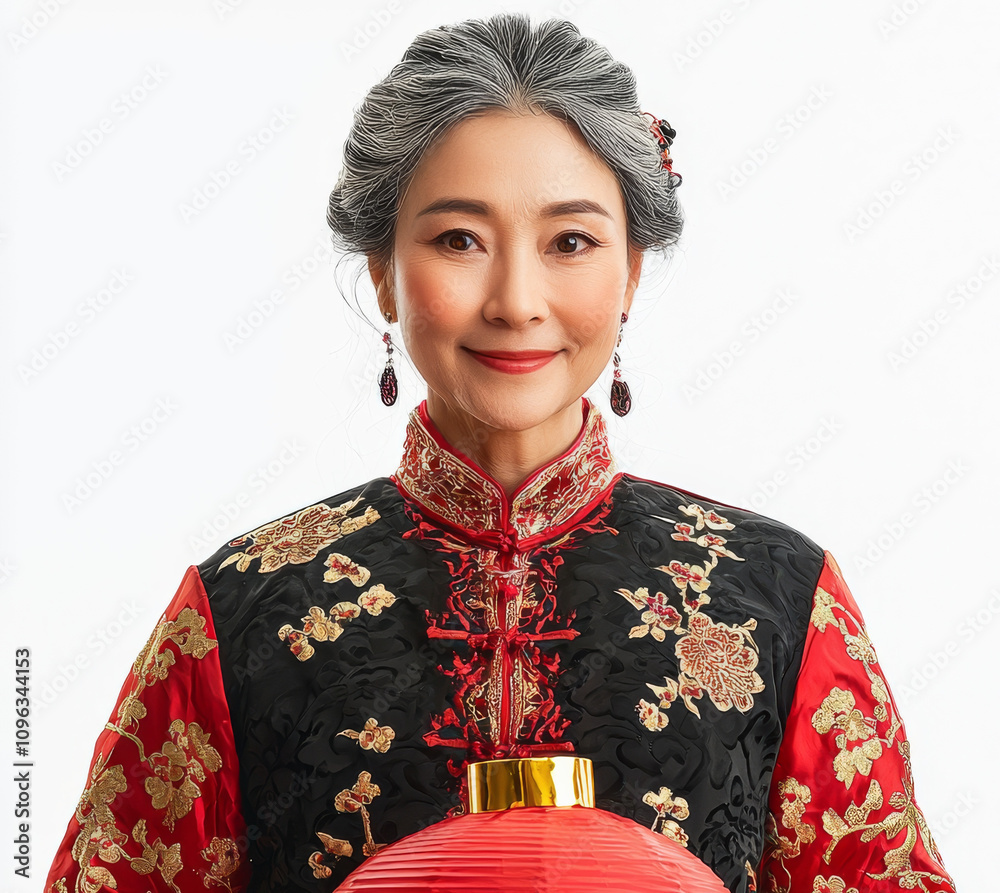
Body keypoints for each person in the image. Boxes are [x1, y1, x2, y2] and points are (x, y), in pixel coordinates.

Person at [44, 12, 955, 893]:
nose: (517, 299)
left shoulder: (781, 598)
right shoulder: (239, 611)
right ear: (381, 272)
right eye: (458, 240)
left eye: (570, 241)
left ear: (631, 269)